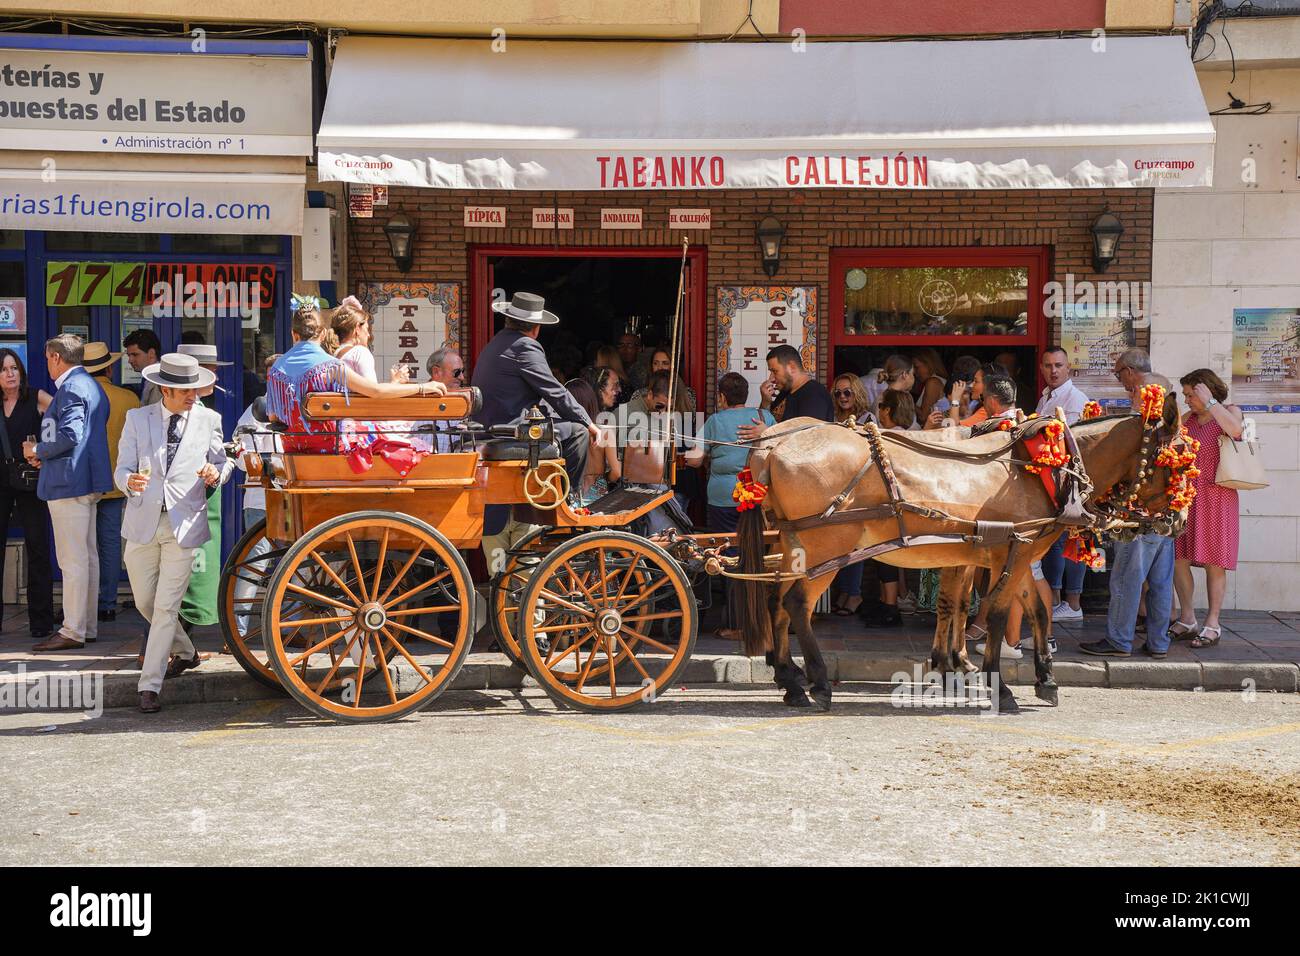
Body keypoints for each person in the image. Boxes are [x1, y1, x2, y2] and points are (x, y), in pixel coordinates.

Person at [117, 354, 236, 713]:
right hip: (142, 523)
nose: (194, 395)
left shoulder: (209, 419)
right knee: (145, 603)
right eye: (185, 390)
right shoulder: (137, 418)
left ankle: (150, 684)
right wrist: (128, 482)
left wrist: (218, 474)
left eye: (195, 388)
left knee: (167, 607)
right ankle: (186, 651)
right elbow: (121, 467)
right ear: (165, 389)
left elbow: (222, 460)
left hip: (183, 524)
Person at [1081, 373, 1178, 659]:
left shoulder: (1141, 431)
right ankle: (1159, 642)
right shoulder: (1175, 430)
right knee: (1161, 583)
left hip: (1137, 518)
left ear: (1144, 393)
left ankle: (1119, 639)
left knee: (1126, 579)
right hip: (1167, 517)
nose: (1131, 393)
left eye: (1136, 389)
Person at [25, 334, 112, 652]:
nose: (47, 363)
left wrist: (37, 449)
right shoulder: (91, 385)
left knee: (73, 560)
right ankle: (84, 625)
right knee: (87, 557)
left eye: (48, 357)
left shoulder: (72, 387)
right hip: (84, 480)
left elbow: (71, 434)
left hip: (68, 481)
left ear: (56, 357)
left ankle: (73, 629)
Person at [267, 302, 444, 454]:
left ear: (293, 334)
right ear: (322, 335)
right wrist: (422, 387)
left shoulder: (276, 369)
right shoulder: (331, 366)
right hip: (332, 448)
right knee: (412, 442)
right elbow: (375, 391)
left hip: (293, 449)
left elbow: (274, 417)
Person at [472, 292, 599, 495]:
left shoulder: (494, 343)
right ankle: (569, 499)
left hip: (489, 428)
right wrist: (588, 422)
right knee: (578, 432)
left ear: (508, 320)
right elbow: (555, 391)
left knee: (561, 425)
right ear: (536, 328)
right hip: (509, 430)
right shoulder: (525, 346)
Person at [685, 372, 774, 638]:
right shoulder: (764, 418)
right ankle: (757, 621)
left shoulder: (715, 421)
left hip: (724, 498)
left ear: (722, 397)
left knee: (729, 557)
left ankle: (735, 624)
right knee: (754, 556)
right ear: (745, 395)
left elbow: (695, 460)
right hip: (757, 494)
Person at [1169, 368, 1244, 649]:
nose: (1187, 400)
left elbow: (1236, 431)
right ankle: (1188, 618)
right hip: (1188, 496)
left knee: (1215, 561)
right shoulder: (1189, 419)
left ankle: (1213, 623)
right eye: (1186, 395)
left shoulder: (1230, 411)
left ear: (1206, 390)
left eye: (1191, 394)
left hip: (1218, 497)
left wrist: (1211, 403)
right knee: (1179, 558)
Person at [82, 342, 140, 623]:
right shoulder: (128, 398)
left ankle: (84, 605)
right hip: (117, 481)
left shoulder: (78, 395)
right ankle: (107, 602)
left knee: (82, 547)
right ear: (110, 366)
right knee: (109, 545)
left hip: (84, 482)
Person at [0, 348, 54, 641]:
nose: (9, 374)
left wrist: (46, 453)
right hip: (0, 479)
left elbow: (64, 419)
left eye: (13, 368)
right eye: (4, 369)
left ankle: (42, 622)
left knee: (37, 547)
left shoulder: (36, 397)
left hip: (29, 478)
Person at [1036, 346, 1091, 622]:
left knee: (1070, 541)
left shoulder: (1075, 398)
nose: (1053, 370)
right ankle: (1059, 600)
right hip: (1051, 479)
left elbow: (1072, 442)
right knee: (1056, 542)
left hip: (1069, 479)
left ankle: (1070, 603)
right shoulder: (1047, 396)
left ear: (1068, 368)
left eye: (1058, 365)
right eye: (1048, 365)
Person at [861, 389, 918, 627]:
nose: (879, 410)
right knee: (883, 556)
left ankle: (890, 607)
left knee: (886, 557)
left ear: (889, 410)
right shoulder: (909, 435)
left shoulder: (889, 438)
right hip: (897, 504)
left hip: (890, 504)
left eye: (882, 406)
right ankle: (886, 604)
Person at [737, 345, 833, 442]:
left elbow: (808, 439)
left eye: (775, 371)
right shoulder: (786, 391)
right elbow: (766, 422)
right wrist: (766, 402)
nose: (772, 378)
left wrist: (767, 433)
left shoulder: (814, 395)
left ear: (791, 367)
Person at [567, 378, 620, 506]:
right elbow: (617, 472)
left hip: (570, 490)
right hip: (597, 489)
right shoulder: (606, 432)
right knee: (594, 524)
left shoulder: (565, 432)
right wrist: (604, 479)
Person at [424, 346, 467, 453]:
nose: (462, 377)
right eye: (456, 372)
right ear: (436, 372)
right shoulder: (417, 403)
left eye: (462, 371)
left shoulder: (466, 403)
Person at [332, 298, 377, 382]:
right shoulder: (360, 353)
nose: (368, 335)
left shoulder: (336, 354)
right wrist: (394, 383)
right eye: (366, 329)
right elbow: (373, 391)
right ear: (357, 328)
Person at [123, 328, 163, 406]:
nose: (130, 360)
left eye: (135, 354)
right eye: (129, 355)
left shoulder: (159, 382)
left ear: (151, 353)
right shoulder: (149, 379)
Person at [911, 348, 947, 423]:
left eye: (917, 367)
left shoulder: (933, 382)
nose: (914, 372)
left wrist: (906, 398)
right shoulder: (938, 381)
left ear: (928, 364)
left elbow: (923, 417)